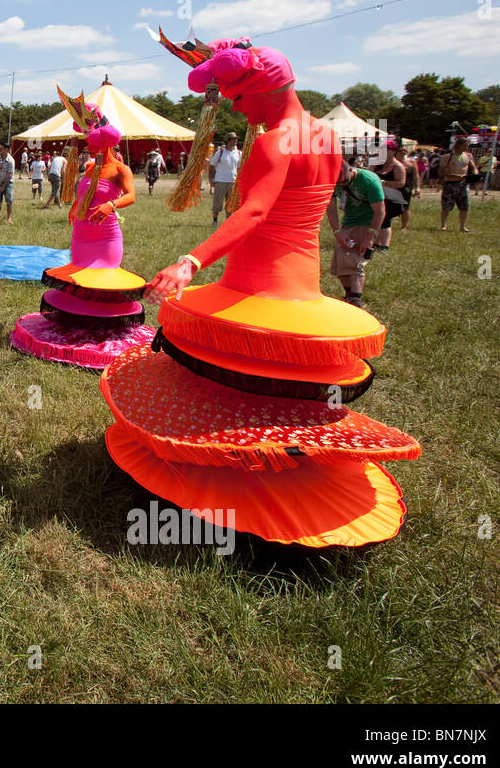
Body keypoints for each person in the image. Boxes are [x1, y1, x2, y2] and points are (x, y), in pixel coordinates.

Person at [131, 33, 418, 548]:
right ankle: (285, 457)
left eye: (239, 98)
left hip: (255, 280)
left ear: (264, 89)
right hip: (303, 279)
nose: (238, 110)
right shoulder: (327, 139)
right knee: (288, 380)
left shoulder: (272, 141)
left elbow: (256, 212)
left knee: (238, 378)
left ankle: (233, 463)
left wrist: (190, 261)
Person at [11, 91, 154, 369]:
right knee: (79, 276)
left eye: (93, 144)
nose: (89, 149)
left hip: (106, 235)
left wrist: (110, 205)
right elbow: (84, 192)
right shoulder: (89, 167)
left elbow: (131, 196)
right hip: (82, 234)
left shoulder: (120, 169)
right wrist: (76, 206)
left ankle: (100, 328)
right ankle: (78, 324)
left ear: (106, 143)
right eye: (88, 145)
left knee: (101, 280)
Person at [327, 153, 385, 308]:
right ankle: (349, 296)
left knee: (354, 263)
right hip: (348, 223)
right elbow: (331, 209)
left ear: (351, 170)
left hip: (366, 223)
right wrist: (338, 231)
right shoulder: (333, 181)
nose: (342, 186)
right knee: (339, 265)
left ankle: (356, 302)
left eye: (345, 181)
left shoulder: (369, 181)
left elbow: (380, 211)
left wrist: (369, 237)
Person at [438, 136, 477, 232]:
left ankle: (462, 226)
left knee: (465, 206)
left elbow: (473, 167)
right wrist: (454, 175)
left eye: (467, 145)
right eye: (464, 145)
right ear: (458, 145)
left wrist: (475, 174)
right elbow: (441, 171)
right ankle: (443, 225)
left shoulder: (468, 156)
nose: (466, 147)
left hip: (463, 183)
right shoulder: (448, 156)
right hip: (450, 183)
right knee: (446, 206)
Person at [372, 148, 406, 251]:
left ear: (393, 151)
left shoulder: (398, 166)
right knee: (376, 220)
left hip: (391, 197)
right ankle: (376, 243)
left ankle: (385, 246)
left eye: (386, 150)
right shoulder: (377, 164)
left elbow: (401, 183)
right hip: (376, 196)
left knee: (385, 220)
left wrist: (384, 183)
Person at [207, 131, 241, 225]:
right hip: (221, 180)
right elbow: (211, 165)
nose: (236, 141)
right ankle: (215, 220)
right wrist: (211, 179)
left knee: (230, 203)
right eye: (234, 139)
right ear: (228, 140)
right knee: (217, 202)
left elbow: (238, 167)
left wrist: (238, 179)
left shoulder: (238, 153)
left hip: (232, 181)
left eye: (236, 139)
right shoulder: (221, 152)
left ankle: (228, 222)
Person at [0, 142, 15, 221]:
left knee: (9, 201)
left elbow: (10, 175)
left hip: (8, 184)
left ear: (6, 150)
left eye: (1, 149)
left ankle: (9, 218)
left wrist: (3, 186)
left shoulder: (10, 160)